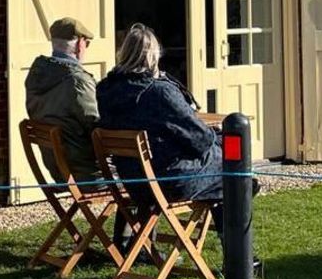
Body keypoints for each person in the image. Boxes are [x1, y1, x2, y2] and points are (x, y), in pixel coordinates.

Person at [97, 23, 249, 252]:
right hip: (169, 180)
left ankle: (132, 247)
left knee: (226, 174)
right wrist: (216, 137)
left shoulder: (105, 90)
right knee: (235, 174)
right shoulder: (159, 92)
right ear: (153, 56)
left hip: (133, 180)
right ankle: (240, 258)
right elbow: (199, 141)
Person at [24, 17, 102, 184]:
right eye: (87, 44)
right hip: (88, 172)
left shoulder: (36, 75)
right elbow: (96, 126)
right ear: (81, 44)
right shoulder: (77, 81)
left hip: (57, 167)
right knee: (139, 169)